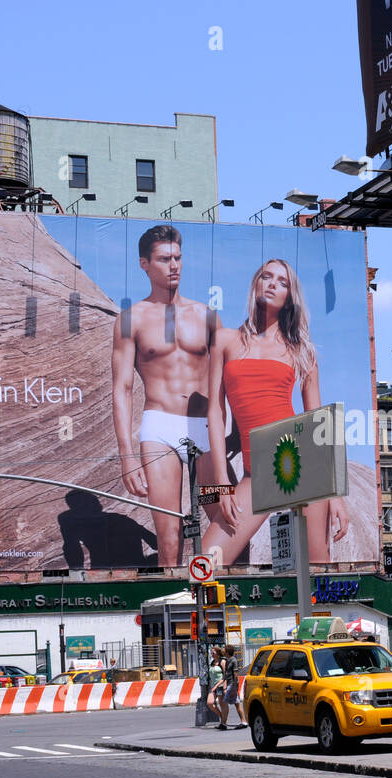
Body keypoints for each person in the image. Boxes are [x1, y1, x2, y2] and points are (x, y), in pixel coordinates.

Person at [202, 259, 348, 565]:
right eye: (266, 277)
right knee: (206, 563)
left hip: (302, 464)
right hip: (258, 474)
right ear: (255, 284)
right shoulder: (226, 340)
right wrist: (221, 484)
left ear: (289, 297)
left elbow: (319, 421)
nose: (272, 284)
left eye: (281, 282)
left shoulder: (301, 350)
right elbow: (215, 412)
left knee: (317, 575)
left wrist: (335, 493)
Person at [111, 225, 221, 567]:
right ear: (145, 264)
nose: (173, 265)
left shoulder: (206, 316)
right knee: (168, 531)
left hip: (204, 429)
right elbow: (122, 388)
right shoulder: (131, 320)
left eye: (177, 258)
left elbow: (223, 381)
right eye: (163, 259)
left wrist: (227, 434)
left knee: (221, 515)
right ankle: (175, 612)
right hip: (159, 430)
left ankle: (221, 602)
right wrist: (127, 455)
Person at [222, 644, 245, 728]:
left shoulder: (233, 660)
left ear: (227, 652)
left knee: (225, 703)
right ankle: (243, 722)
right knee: (236, 703)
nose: (223, 650)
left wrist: (234, 686)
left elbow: (235, 674)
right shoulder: (228, 660)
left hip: (232, 685)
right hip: (230, 684)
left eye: (224, 649)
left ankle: (223, 723)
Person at [205, 646, 226, 728]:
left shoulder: (222, 662)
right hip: (213, 686)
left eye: (213, 652)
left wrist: (218, 686)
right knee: (210, 703)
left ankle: (223, 722)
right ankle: (221, 717)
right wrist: (211, 686)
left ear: (218, 653)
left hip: (220, 686)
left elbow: (225, 676)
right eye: (211, 652)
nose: (212, 654)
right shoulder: (212, 662)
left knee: (222, 704)